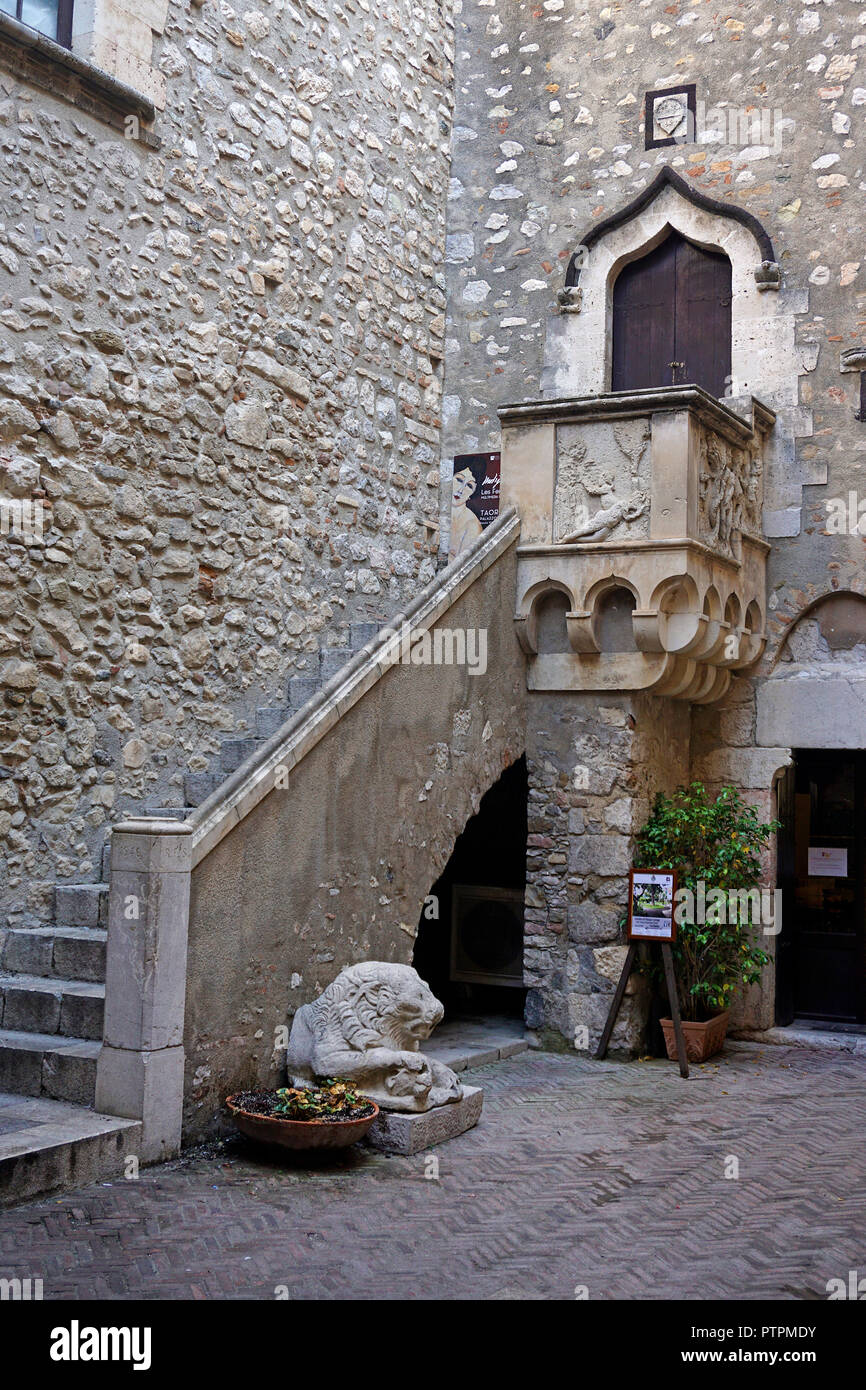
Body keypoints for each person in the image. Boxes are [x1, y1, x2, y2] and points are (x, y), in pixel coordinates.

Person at [448, 455, 488, 560]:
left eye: (469, 486)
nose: (461, 490)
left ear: (473, 493)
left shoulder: (472, 525)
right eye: (459, 480)